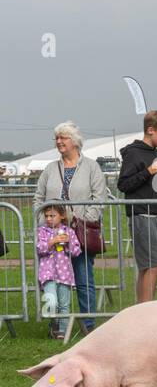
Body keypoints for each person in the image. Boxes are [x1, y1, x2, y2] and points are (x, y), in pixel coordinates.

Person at [33, 121, 107, 335]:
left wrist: (82, 222)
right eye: (56, 138)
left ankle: (88, 324)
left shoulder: (92, 167)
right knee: (51, 282)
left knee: (84, 278)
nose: (58, 142)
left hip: (80, 234)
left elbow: (98, 198)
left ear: (74, 141)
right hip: (52, 237)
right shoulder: (50, 169)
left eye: (63, 138)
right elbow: (39, 198)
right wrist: (44, 223)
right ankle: (56, 324)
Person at [117, 110, 157, 304]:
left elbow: (146, 181)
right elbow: (124, 184)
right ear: (151, 130)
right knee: (153, 265)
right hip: (142, 215)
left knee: (150, 266)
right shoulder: (134, 153)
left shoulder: (154, 152)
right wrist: (148, 172)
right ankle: (146, 311)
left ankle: (141, 308)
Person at [36, 204, 81, 340]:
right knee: (51, 301)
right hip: (47, 274)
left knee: (64, 304)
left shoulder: (69, 232)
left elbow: (76, 251)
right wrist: (52, 242)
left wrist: (68, 243)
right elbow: (40, 249)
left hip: (65, 274)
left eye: (52, 216)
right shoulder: (42, 231)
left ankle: (62, 331)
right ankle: (54, 324)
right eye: (47, 216)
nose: (49, 219)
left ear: (62, 216)